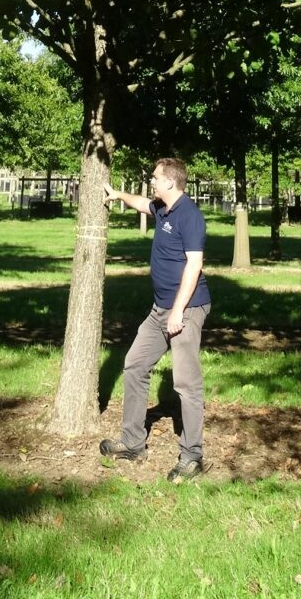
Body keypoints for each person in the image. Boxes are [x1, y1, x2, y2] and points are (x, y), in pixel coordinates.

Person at [100, 157, 211, 483]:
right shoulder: (164, 208)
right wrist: (118, 195)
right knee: (134, 364)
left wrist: (177, 311)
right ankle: (134, 443)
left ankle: (193, 456)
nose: (151, 180)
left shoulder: (190, 216)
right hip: (159, 309)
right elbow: (142, 204)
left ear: (171, 183)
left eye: (155, 177)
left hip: (186, 309)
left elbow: (194, 266)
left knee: (185, 383)